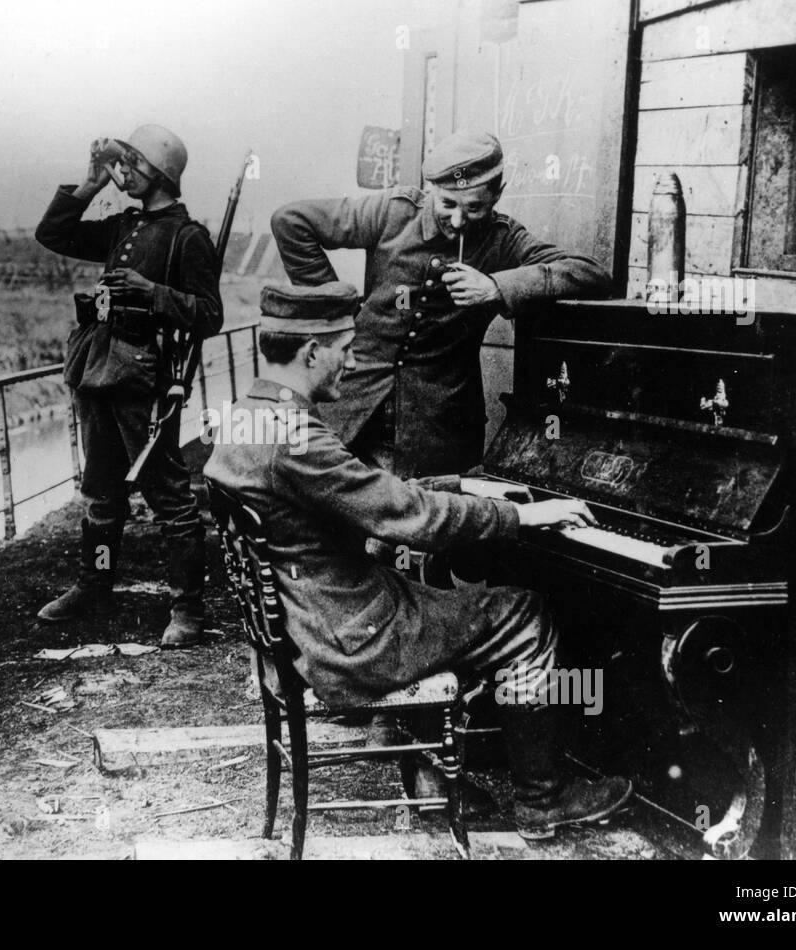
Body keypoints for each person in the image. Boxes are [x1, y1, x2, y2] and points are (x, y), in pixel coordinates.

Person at [203, 282, 632, 839]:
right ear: (312, 353)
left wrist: (462, 484)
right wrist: (523, 515)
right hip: (355, 642)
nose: (354, 361)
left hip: (307, 626)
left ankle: (434, 776)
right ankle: (542, 799)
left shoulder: (247, 419)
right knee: (523, 614)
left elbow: (357, 493)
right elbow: (410, 517)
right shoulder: (296, 436)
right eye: (346, 348)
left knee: (438, 598)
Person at [270, 129, 609, 479]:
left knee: (421, 525)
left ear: (498, 195)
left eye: (475, 207)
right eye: (447, 204)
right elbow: (291, 222)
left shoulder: (503, 240)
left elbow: (591, 272)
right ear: (431, 189)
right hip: (352, 412)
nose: (459, 221)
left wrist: (495, 286)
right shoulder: (393, 212)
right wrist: (336, 312)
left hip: (437, 434)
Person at [35, 124, 222, 647]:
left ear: (158, 173)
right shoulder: (123, 226)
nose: (125, 173)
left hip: (148, 382)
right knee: (101, 491)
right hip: (98, 369)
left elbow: (209, 314)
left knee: (169, 497)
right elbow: (53, 235)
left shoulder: (189, 238)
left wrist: (153, 291)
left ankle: (188, 609)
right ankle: (95, 585)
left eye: (132, 164)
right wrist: (90, 183)